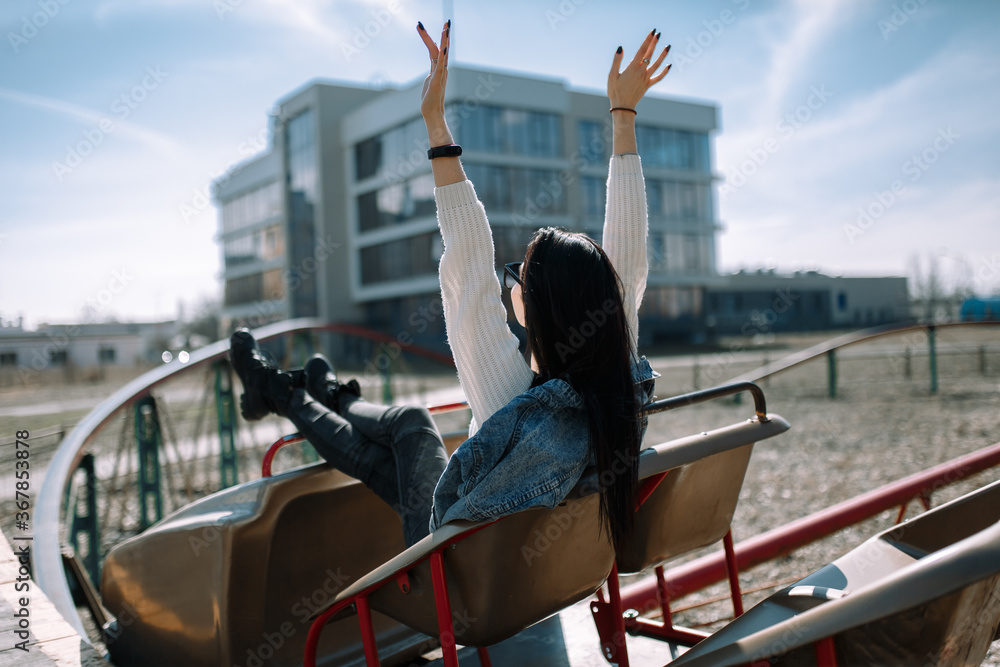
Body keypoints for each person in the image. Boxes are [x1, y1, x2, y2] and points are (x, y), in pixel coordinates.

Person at [228, 23, 669, 555]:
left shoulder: (514, 402)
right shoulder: (616, 383)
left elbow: (467, 275)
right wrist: (623, 117)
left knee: (411, 424)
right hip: (526, 575)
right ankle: (304, 394)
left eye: (518, 277)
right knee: (390, 456)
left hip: (453, 575)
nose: (508, 286)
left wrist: (436, 125)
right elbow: (627, 263)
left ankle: (293, 393)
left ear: (540, 308)